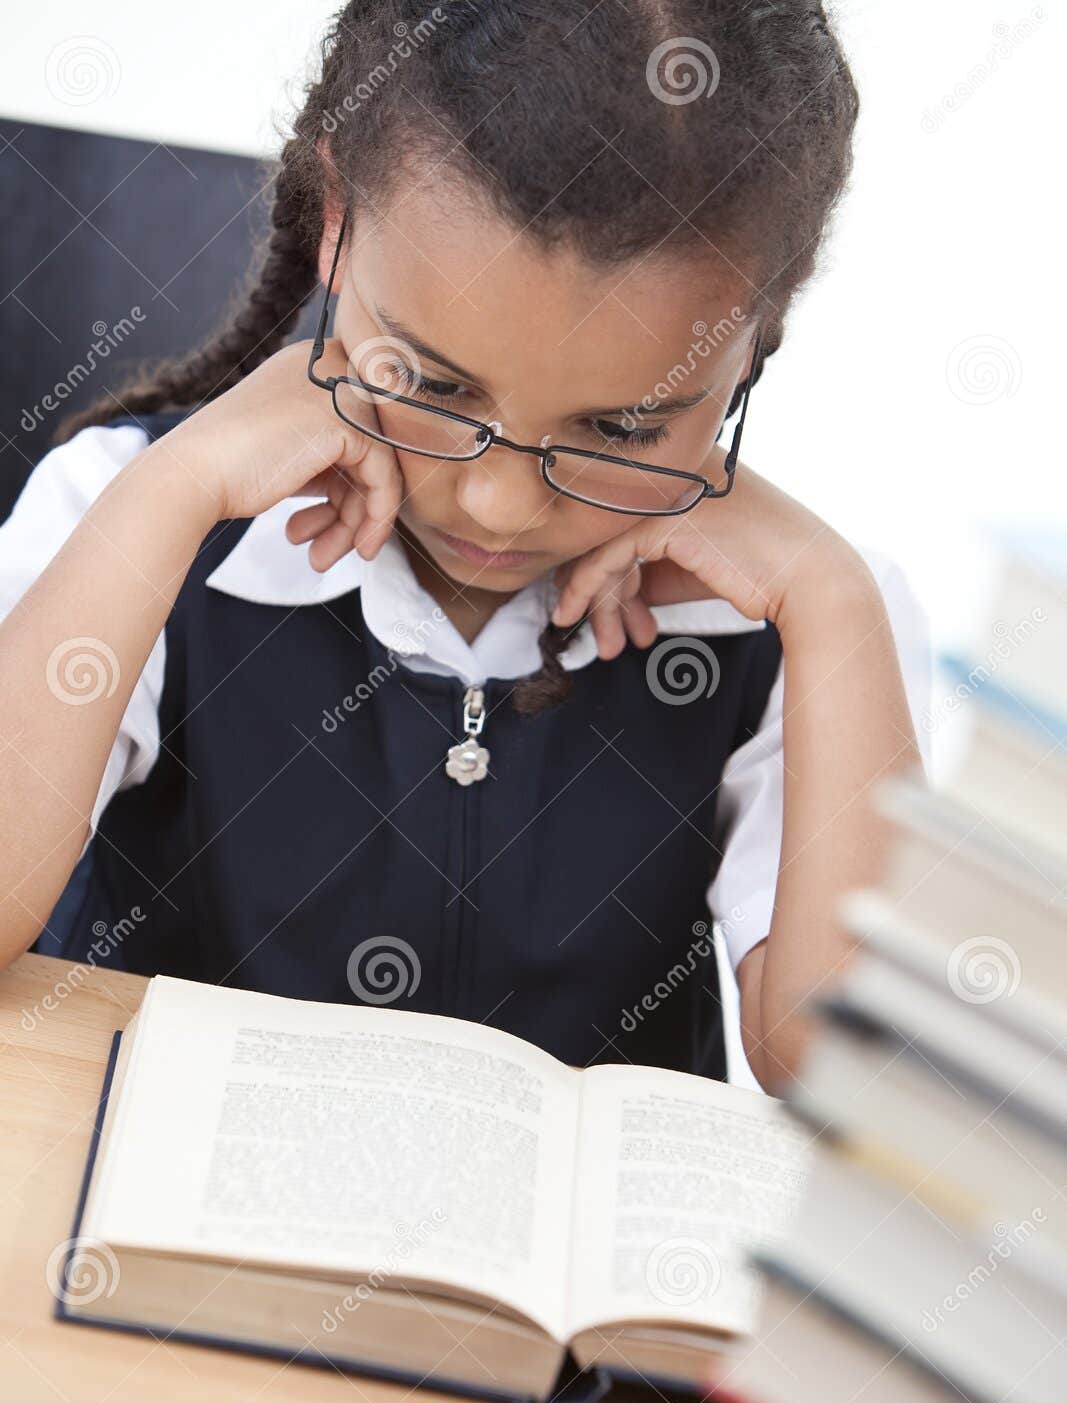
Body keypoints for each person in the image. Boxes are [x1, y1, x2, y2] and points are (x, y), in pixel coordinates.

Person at [0, 1, 930, 1095]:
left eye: (622, 430)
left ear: (758, 331)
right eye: (434, 385)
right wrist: (171, 494)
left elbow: (848, 1085)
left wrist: (829, 602)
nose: (495, 506)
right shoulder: (127, 506)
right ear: (337, 220)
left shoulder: (800, 626)